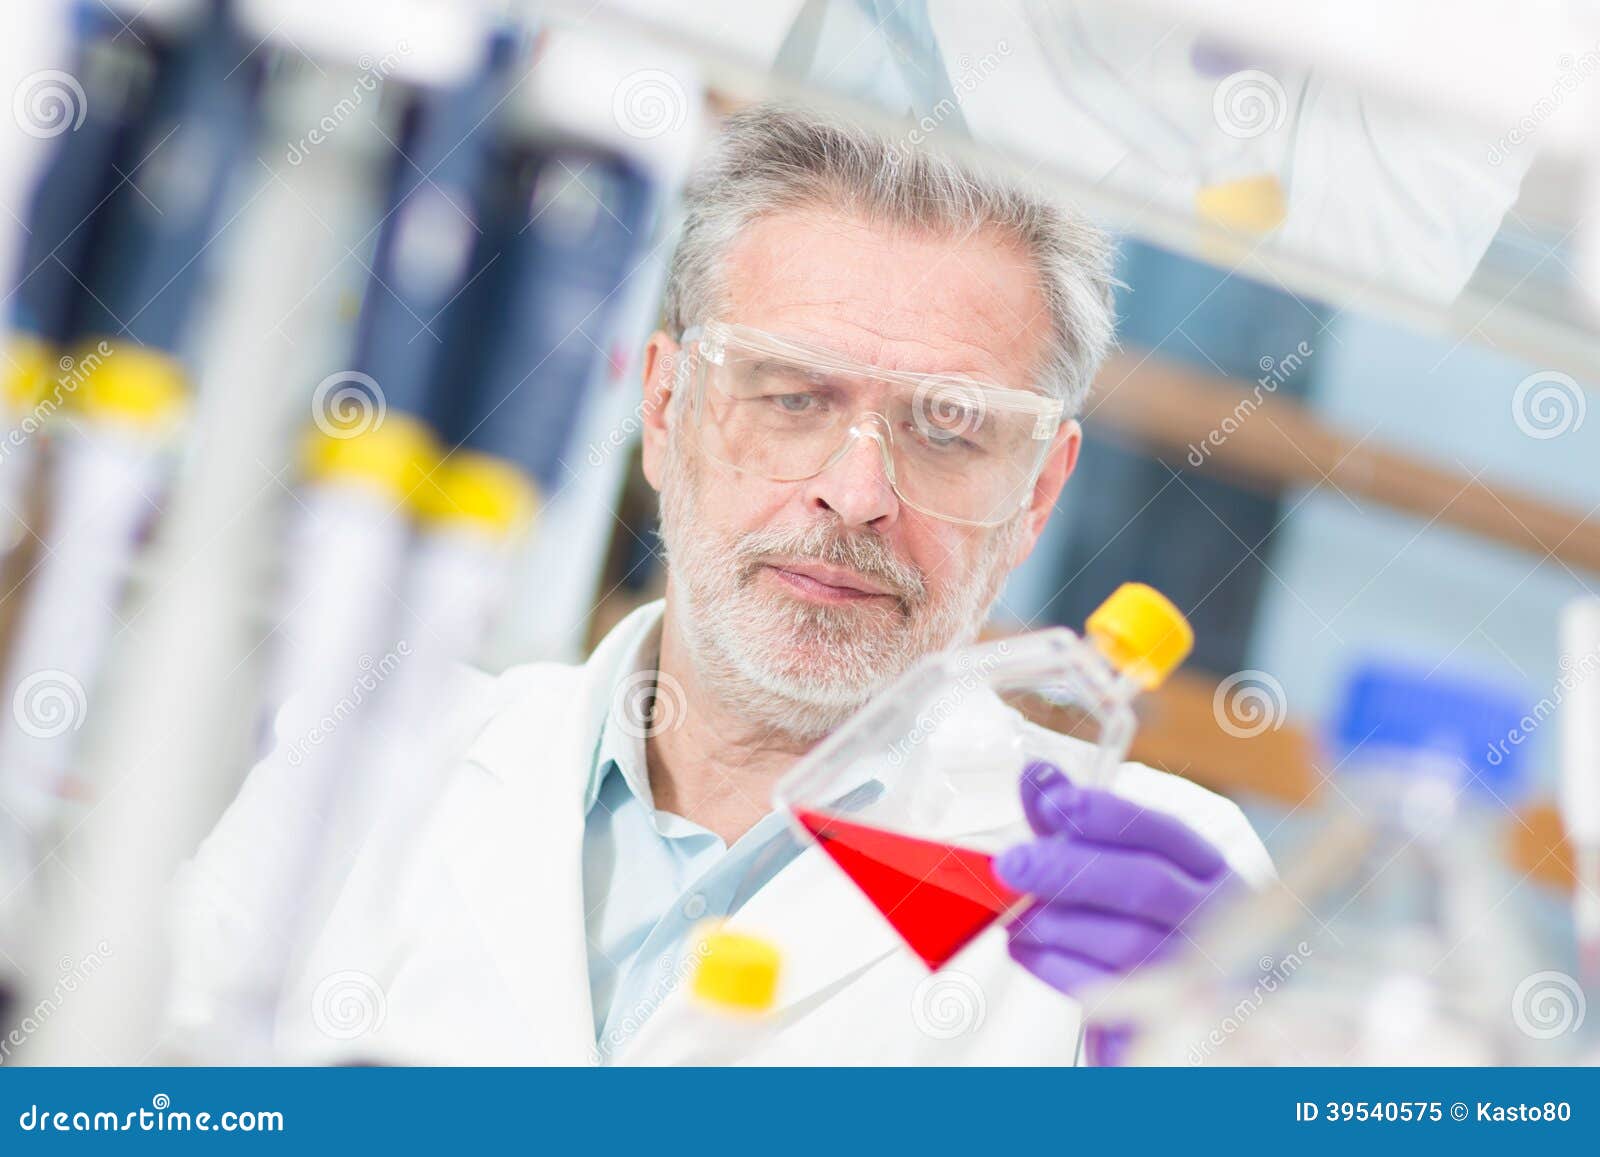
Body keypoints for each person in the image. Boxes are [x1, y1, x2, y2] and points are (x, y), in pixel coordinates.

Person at [170, 103, 1274, 1065]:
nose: (854, 494)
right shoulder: (361, 766)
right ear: (663, 410)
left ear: (1038, 492)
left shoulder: (1147, 888)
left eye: (948, 426)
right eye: (792, 395)